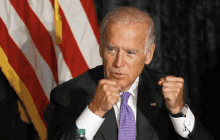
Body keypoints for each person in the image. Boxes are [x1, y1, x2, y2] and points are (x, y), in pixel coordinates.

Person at [47, 7, 214, 140]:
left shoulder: (165, 94)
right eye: (112, 49)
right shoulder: (68, 94)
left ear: (148, 54)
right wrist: (94, 111)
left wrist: (178, 111)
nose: (118, 63)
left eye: (130, 53)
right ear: (101, 49)